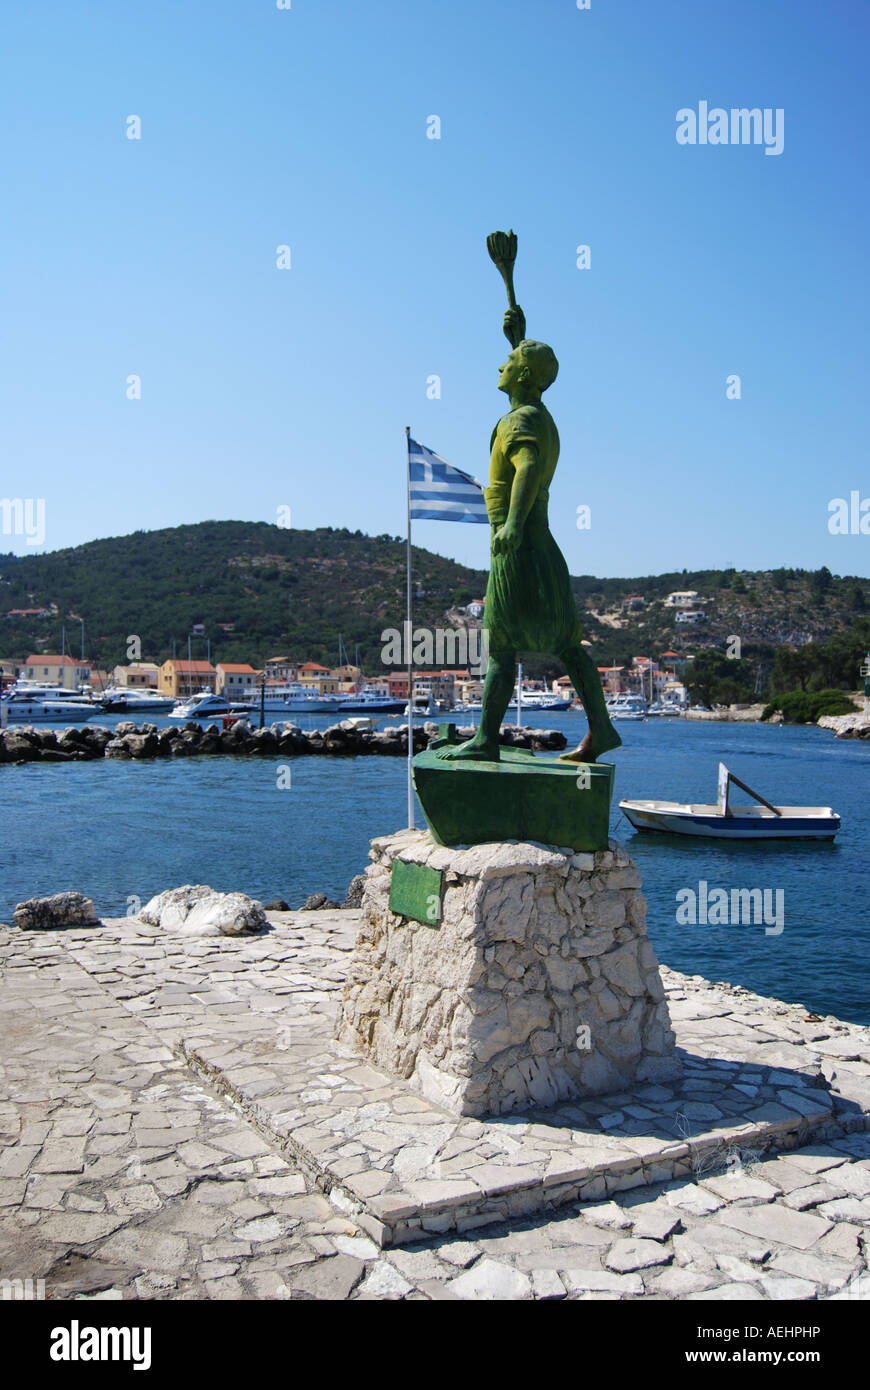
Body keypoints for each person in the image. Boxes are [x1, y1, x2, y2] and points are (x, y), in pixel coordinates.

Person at [437, 308, 621, 764]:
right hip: (541, 548)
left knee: (500, 645)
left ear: (522, 374)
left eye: (510, 360)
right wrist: (518, 339)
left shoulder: (518, 421)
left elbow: (528, 468)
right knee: (566, 645)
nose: (500, 365)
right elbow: (526, 376)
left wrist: (513, 525)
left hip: (516, 545)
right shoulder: (538, 414)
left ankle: (486, 740)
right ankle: (601, 729)